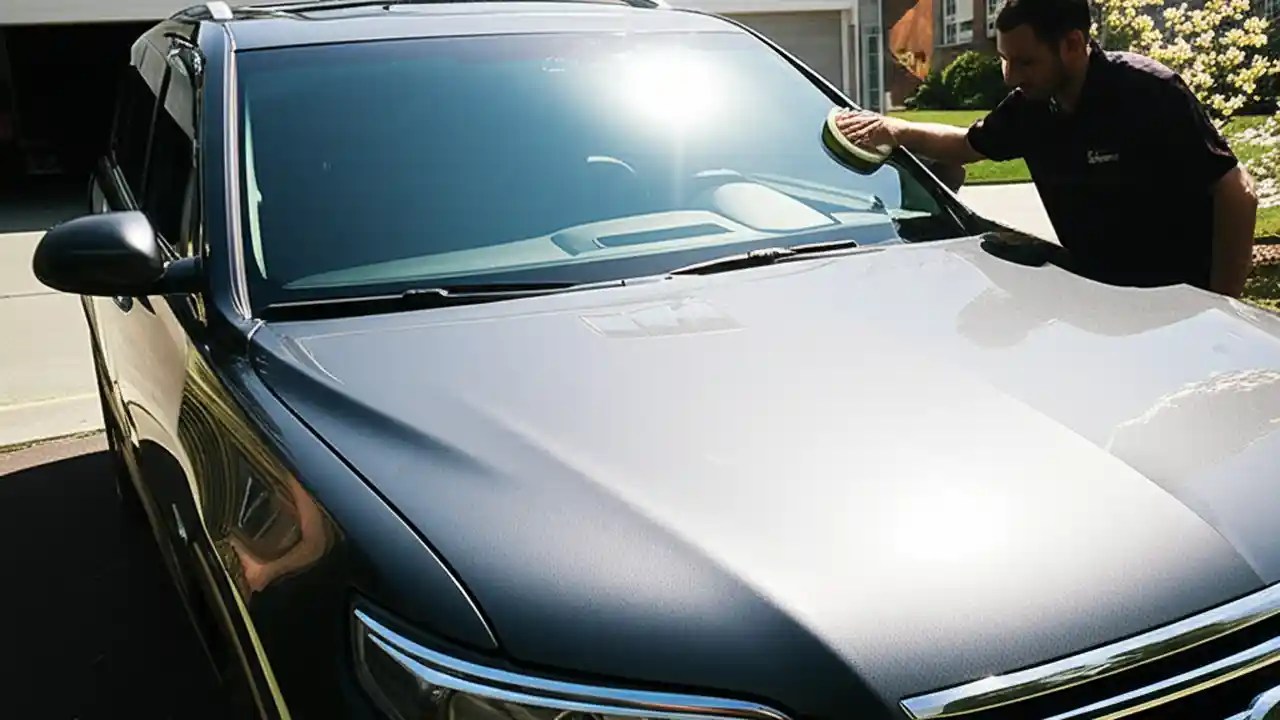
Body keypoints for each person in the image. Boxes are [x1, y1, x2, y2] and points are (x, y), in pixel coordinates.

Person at [835, 0, 1260, 297]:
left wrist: (1222, 304)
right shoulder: (1032, 107)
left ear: (1073, 45)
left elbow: (1236, 192)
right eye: (1004, 59)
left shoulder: (1148, 92)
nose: (1009, 76)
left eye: (1024, 62)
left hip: (1176, 305)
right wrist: (893, 128)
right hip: (1095, 296)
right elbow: (966, 146)